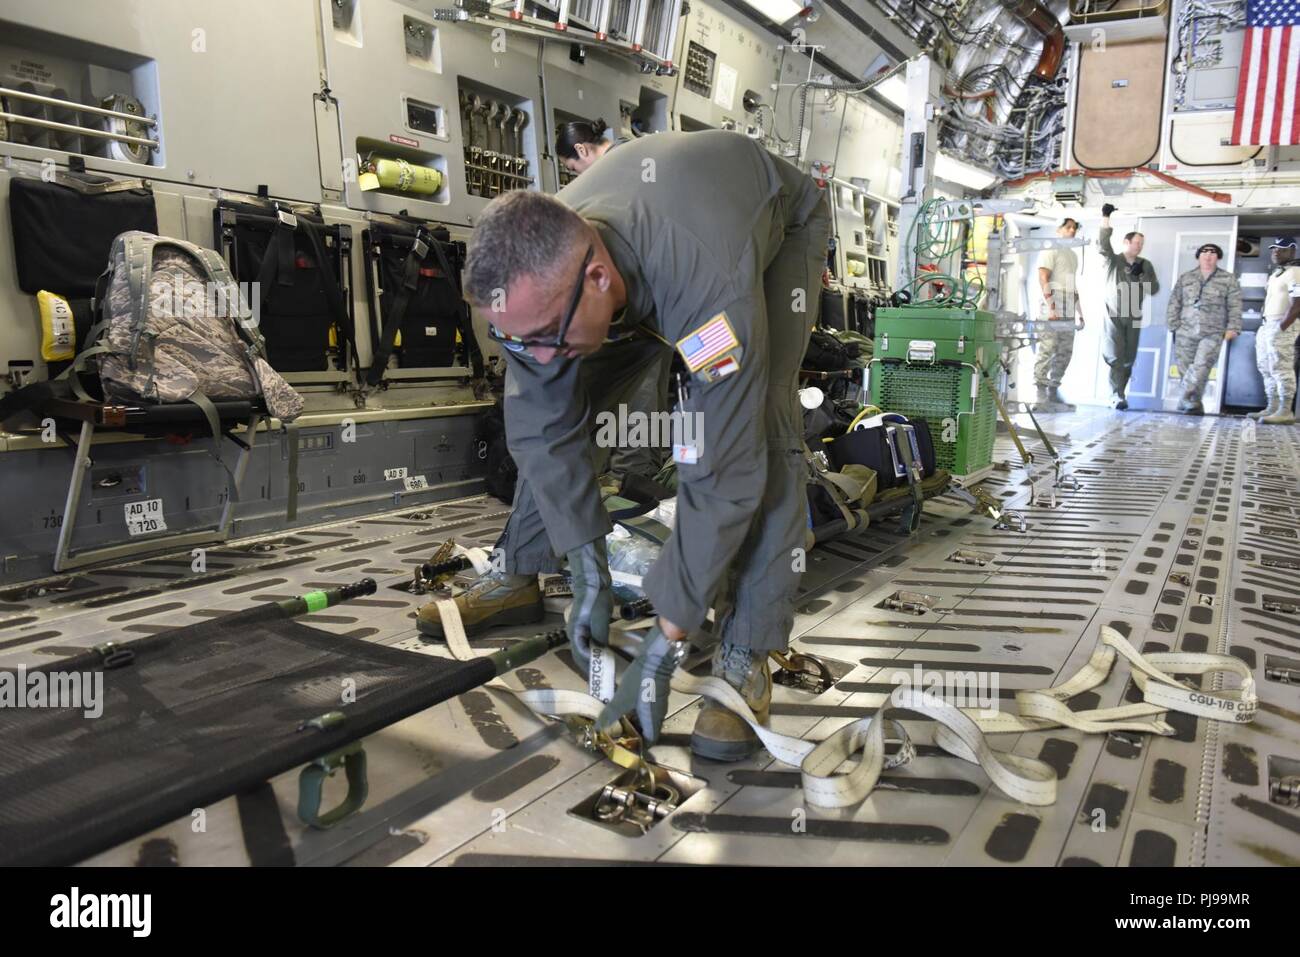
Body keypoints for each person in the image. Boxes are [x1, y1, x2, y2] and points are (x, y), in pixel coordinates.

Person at [453, 131, 830, 761]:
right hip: (643, 248)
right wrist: (583, 563)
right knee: (558, 395)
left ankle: (745, 653)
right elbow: (543, 425)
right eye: (515, 341)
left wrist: (664, 642)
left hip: (772, 229)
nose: (533, 357)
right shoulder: (539, 293)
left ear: (597, 277)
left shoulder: (710, 289)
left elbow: (725, 469)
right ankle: (522, 567)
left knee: (761, 425)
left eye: (541, 335)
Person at [1167, 243, 1242, 415]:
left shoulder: (1228, 279)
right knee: (1185, 369)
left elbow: (1235, 305)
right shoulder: (1186, 278)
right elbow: (1174, 302)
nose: (1208, 256)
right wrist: (1173, 325)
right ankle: (1193, 402)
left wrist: (1234, 327)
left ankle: (1186, 399)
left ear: (1218, 257)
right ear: (1198, 256)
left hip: (1213, 332)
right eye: (1204, 253)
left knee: (1201, 367)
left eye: (1213, 253)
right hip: (1185, 331)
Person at [1096, 203, 1159, 409]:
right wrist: (1106, 217)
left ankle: (1121, 393)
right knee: (1115, 356)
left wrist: (1141, 276)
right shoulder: (1113, 261)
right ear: (1126, 242)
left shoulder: (1145, 264)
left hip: (1134, 315)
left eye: (1141, 244)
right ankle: (1116, 396)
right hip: (1113, 314)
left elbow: (1154, 289)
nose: (1139, 246)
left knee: (1128, 359)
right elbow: (1103, 245)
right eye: (1136, 243)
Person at [1033, 218, 1083, 413]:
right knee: (1047, 347)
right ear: (1059, 230)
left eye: (1074, 228)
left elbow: (1072, 284)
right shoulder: (1050, 249)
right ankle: (1040, 394)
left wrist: (1080, 312)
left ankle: (1054, 390)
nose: (1071, 231)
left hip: (1069, 302)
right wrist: (1051, 306)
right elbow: (1043, 277)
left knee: (1065, 349)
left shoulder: (1072, 255)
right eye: (1068, 227)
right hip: (1053, 300)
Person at [1252, 237, 1300, 425]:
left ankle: (1285, 410)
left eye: (1282, 249)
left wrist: (1281, 327)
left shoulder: (1296, 272)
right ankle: (1272, 407)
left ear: (1292, 252)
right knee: (1266, 367)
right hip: (1267, 325)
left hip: (1283, 324)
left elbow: (1298, 304)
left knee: (1281, 367)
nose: (1276, 252)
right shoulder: (1277, 273)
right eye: (1274, 249)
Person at [555, 118, 626, 176]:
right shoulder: (624, 148)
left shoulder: (614, 168)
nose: (578, 175)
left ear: (581, 150)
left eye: (573, 168)